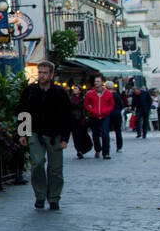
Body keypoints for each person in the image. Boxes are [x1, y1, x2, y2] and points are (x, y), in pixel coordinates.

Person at [16, 60, 74, 210]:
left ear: (51, 74)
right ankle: (40, 195)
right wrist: (23, 133)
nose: (41, 75)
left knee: (55, 169)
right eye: (40, 72)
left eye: (45, 73)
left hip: (55, 134)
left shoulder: (59, 93)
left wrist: (65, 138)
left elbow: (67, 116)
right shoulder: (30, 91)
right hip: (35, 133)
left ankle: (54, 198)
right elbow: (23, 112)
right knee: (37, 163)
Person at [83, 75, 114, 159]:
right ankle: (97, 149)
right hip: (94, 116)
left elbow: (111, 104)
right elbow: (86, 104)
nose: (96, 83)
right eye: (95, 81)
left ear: (102, 82)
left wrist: (107, 111)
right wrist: (91, 110)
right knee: (95, 134)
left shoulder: (108, 93)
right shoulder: (90, 93)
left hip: (105, 116)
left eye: (98, 81)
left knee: (105, 133)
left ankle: (106, 153)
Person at [69, 88, 93, 159]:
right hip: (73, 119)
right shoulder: (70, 99)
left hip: (82, 120)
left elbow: (87, 108)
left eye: (76, 88)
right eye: (74, 88)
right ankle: (79, 150)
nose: (74, 90)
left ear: (80, 90)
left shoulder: (84, 98)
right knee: (76, 136)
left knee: (83, 135)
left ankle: (83, 149)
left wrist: (87, 118)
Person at [108, 81, 126, 153]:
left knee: (106, 131)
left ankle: (107, 146)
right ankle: (119, 147)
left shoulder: (106, 94)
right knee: (118, 131)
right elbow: (121, 104)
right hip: (116, 114)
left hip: (108, 114)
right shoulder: (116, 94)